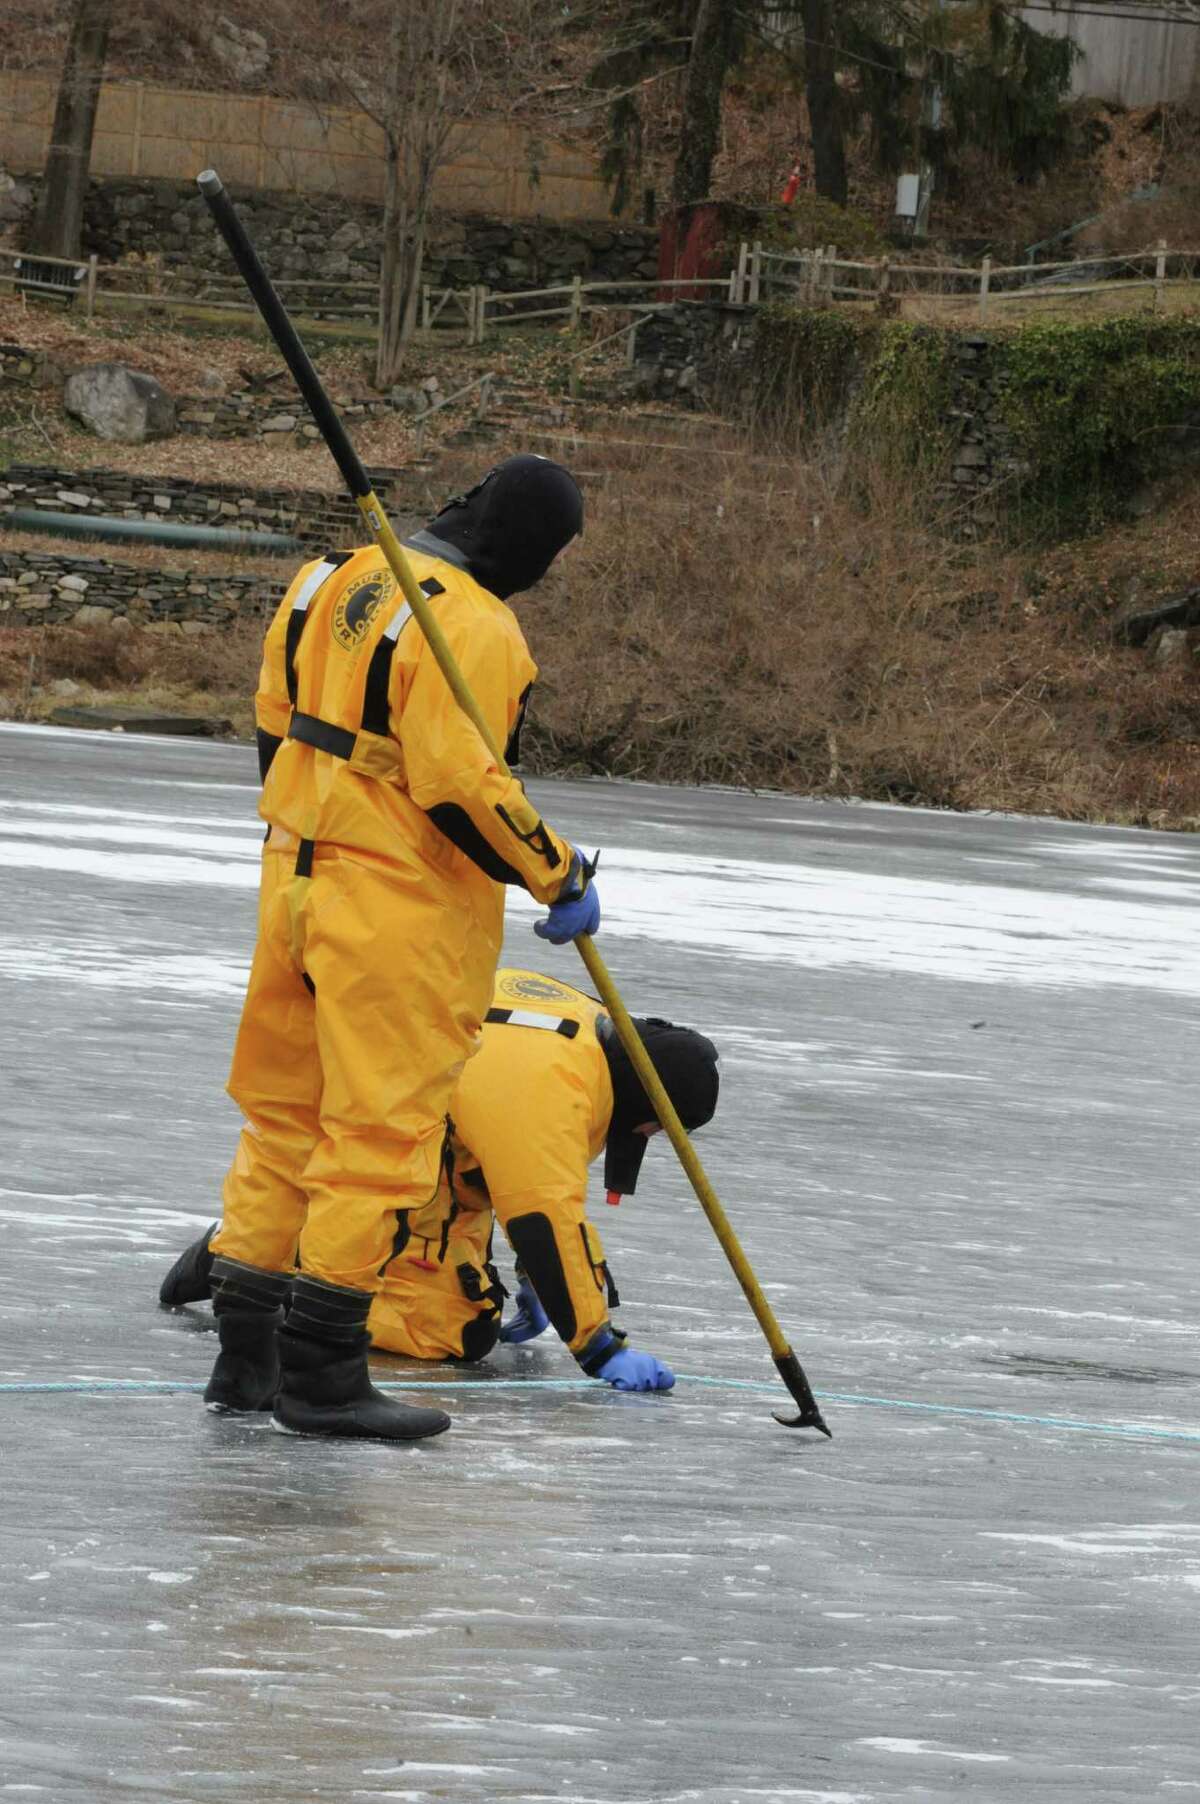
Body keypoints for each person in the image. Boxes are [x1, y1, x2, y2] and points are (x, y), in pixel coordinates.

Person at [205, 456, 599, 1445]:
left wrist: (311, 828)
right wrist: (559, 874)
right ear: (526, 550)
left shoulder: (324, 579)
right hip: (396, 912)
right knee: (379, 1136)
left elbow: (272, 728)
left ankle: (244, 1351)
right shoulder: (471, 624)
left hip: (292, 877)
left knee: (284, 1118)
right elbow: (464, 787)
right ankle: (325, 1372)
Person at [162, 967, 720, 1392]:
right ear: (649, 1103)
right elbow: (543, 1212)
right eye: (657, 1127)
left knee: (456, 1242)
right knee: (451, 1333)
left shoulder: (581, 1027)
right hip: (391, 1149)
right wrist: (599, 1347)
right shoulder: (549, 1091)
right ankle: (263, 1265)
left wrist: (535, 1272)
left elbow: (520, 1168)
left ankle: (262, 1237)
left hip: (387, 1120)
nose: (648, 1136)